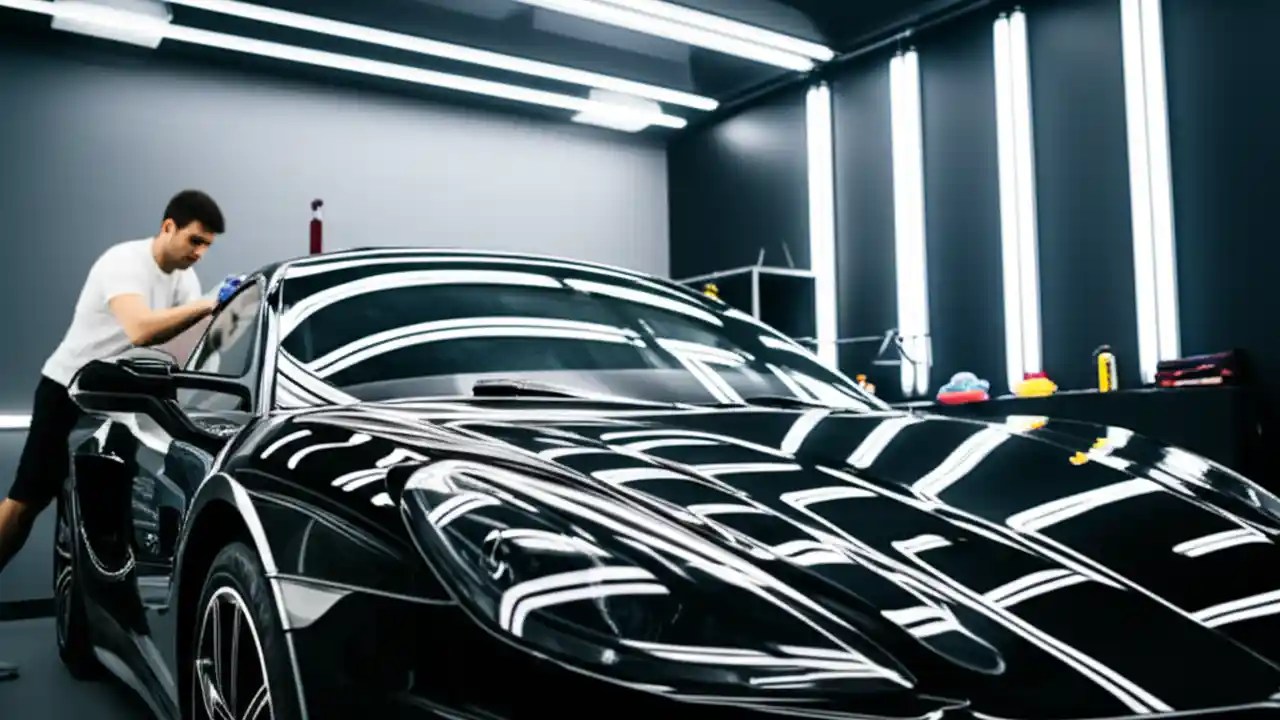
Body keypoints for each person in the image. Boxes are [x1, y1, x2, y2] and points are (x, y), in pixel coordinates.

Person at [0, 190, 228, 682]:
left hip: (118, 400)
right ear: (168, 227)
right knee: (21, 510)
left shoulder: (184, 278)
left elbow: (188, 347)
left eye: (207, 246)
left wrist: (225, 322)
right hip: (66, 392)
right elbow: (142, 330)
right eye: (194, 240)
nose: (199, 253)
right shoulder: (123, 262)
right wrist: (211, 304)